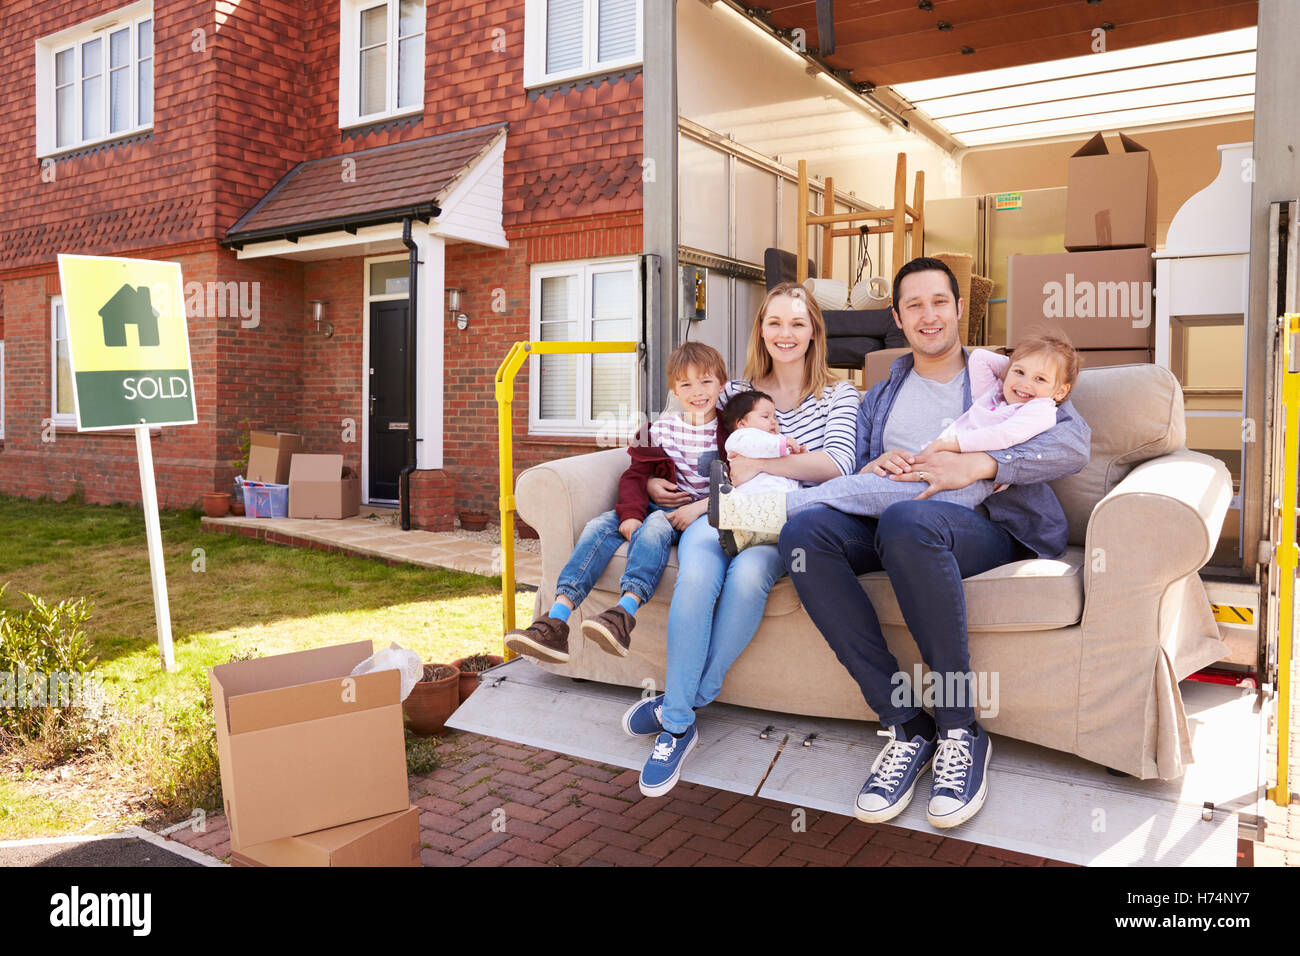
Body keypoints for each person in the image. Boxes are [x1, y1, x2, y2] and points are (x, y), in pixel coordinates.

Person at [775, 257, 1091, 830]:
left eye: (939, 301)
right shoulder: (881, 390)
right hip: (895, 516)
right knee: (803, 532)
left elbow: (1074, 445)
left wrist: (981, 463)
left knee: (906, 522)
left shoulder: (1008, 374)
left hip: (985, 529)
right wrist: (875, 462)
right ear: (897, 317)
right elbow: (855, 467)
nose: (928, 315)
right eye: (914, 305)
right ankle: (904, 724)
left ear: (960, 308)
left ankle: (959, 729)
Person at [622, 281, 859, 797]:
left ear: (814, 329)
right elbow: (684, 439)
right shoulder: (734, 393)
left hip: (785, 521)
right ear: (761, 330)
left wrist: (759, 463)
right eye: (774, 322)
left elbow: (836, 466)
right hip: (721, 515)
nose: (785, 333)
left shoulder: (840, 395)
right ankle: (681, 723)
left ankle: (679, 705)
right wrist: (650, 479)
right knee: (698, 573)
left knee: (750, 575)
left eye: (797, 322)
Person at [709, 332, 1081, 546]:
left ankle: (755, 513)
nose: (1027, 384)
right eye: (1020, 372)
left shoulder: (1041, 409)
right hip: (930, 470)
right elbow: (982, 360)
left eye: (1040, 379)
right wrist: (1014, 369)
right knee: (857, 490)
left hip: (974, 490)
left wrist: (961, 451)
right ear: (898, 318)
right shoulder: (998, 393)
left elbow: (1021, 438)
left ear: (1061, 391)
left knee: (864, 494)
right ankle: (751, 527)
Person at [505, 342, 726, 663]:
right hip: (649, 506)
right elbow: (635, 475)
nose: (698, 391)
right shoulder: (659, 431)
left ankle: (622, 615)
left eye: (706, 381)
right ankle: (554, 622)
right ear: (674, 392)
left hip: (689, 516)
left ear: (722, 383)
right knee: (598, 525)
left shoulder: (731, 430)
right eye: (686, 384)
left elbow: (742, 479)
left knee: (652, 529)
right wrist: (630, 514)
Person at [717, 390, 806, 495]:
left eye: (774, 417)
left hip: (786, 492)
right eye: (765, 416)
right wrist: (782, 444)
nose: (773, 421)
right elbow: (758, 446)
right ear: (742, 424)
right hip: (759, 495)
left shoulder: (775, 439)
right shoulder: (741, 437)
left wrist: (796, 454)